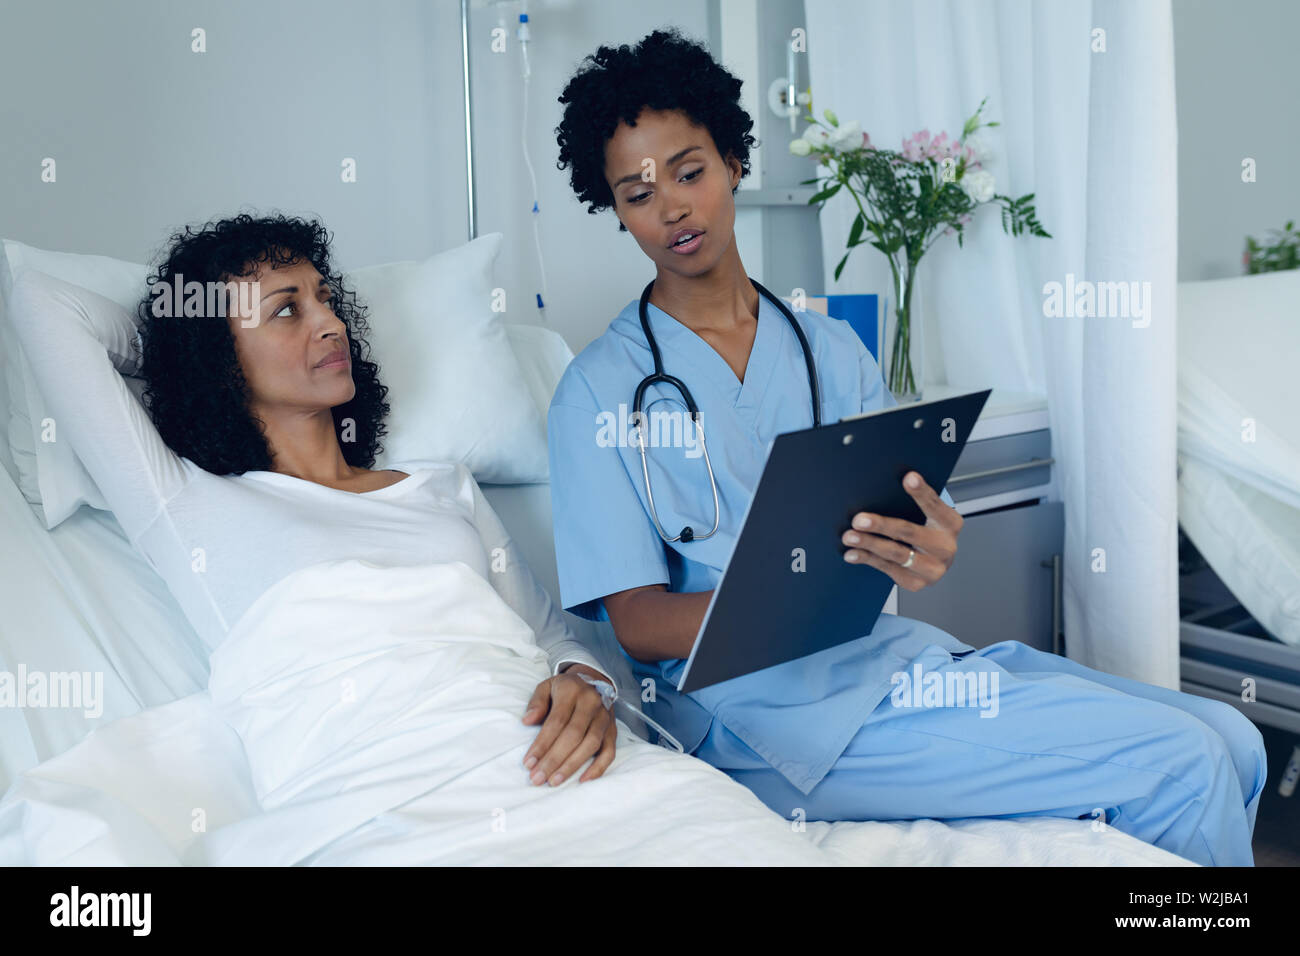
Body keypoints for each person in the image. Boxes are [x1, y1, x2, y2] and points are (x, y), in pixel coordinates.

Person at [546, 27, 1267, 865]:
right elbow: (634, 624)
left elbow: (919, 540)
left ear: (734, 162)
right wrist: (770, 612)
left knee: (1233, 735)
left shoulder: (829, 350)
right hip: (755, 724)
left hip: (886, 665)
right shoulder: (598, 391)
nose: (671, 206)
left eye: (690, 171)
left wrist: (930, 548)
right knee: (1185, 763)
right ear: (616, 210)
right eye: (636, 193)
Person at [10, 213, 618, 790]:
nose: (329, 323)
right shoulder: (184, 504)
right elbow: (43, 304)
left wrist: (588, 685)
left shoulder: (445, 487)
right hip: (388, 799)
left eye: (325, 299)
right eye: (286, 311)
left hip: (554, 759)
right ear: (219, 355)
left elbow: (555, 642)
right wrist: (190, 356)